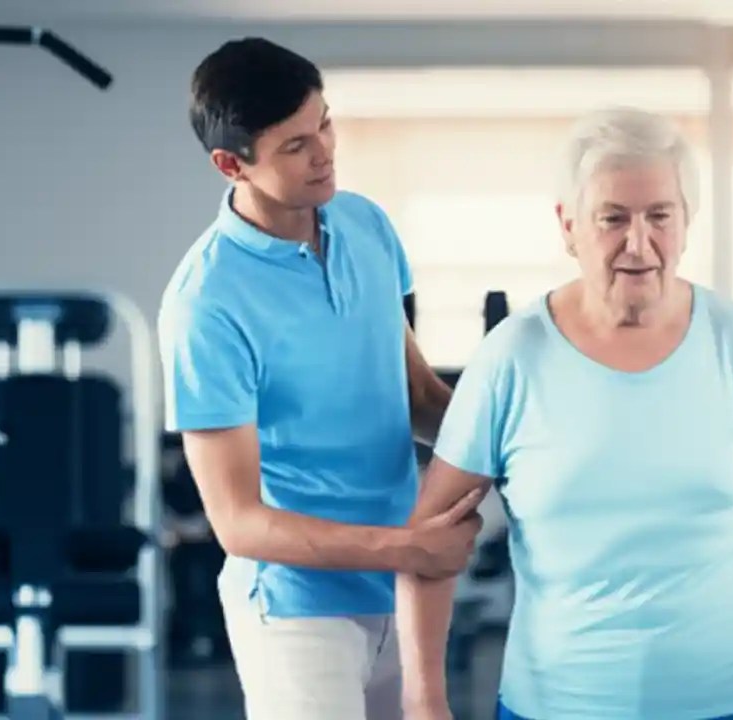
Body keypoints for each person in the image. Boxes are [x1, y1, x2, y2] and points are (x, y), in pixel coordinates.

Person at [397, 107, 733, 720]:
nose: (638, 244)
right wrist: (424, 703)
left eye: (659, 216)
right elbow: (428, 545)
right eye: (613, 218)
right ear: (568, 226)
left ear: (686, 222)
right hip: (557, 707)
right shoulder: (511, 357)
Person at [156, 37, 485, 720]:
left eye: (326, 123)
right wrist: (410, 545)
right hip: (296, 612)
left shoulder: (365, 225)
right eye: (296, 145)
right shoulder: (205, 303)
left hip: (402, 589)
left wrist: (528, 450)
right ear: (231, 164)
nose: (325, 151)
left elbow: (418, 395)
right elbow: (238, 522)